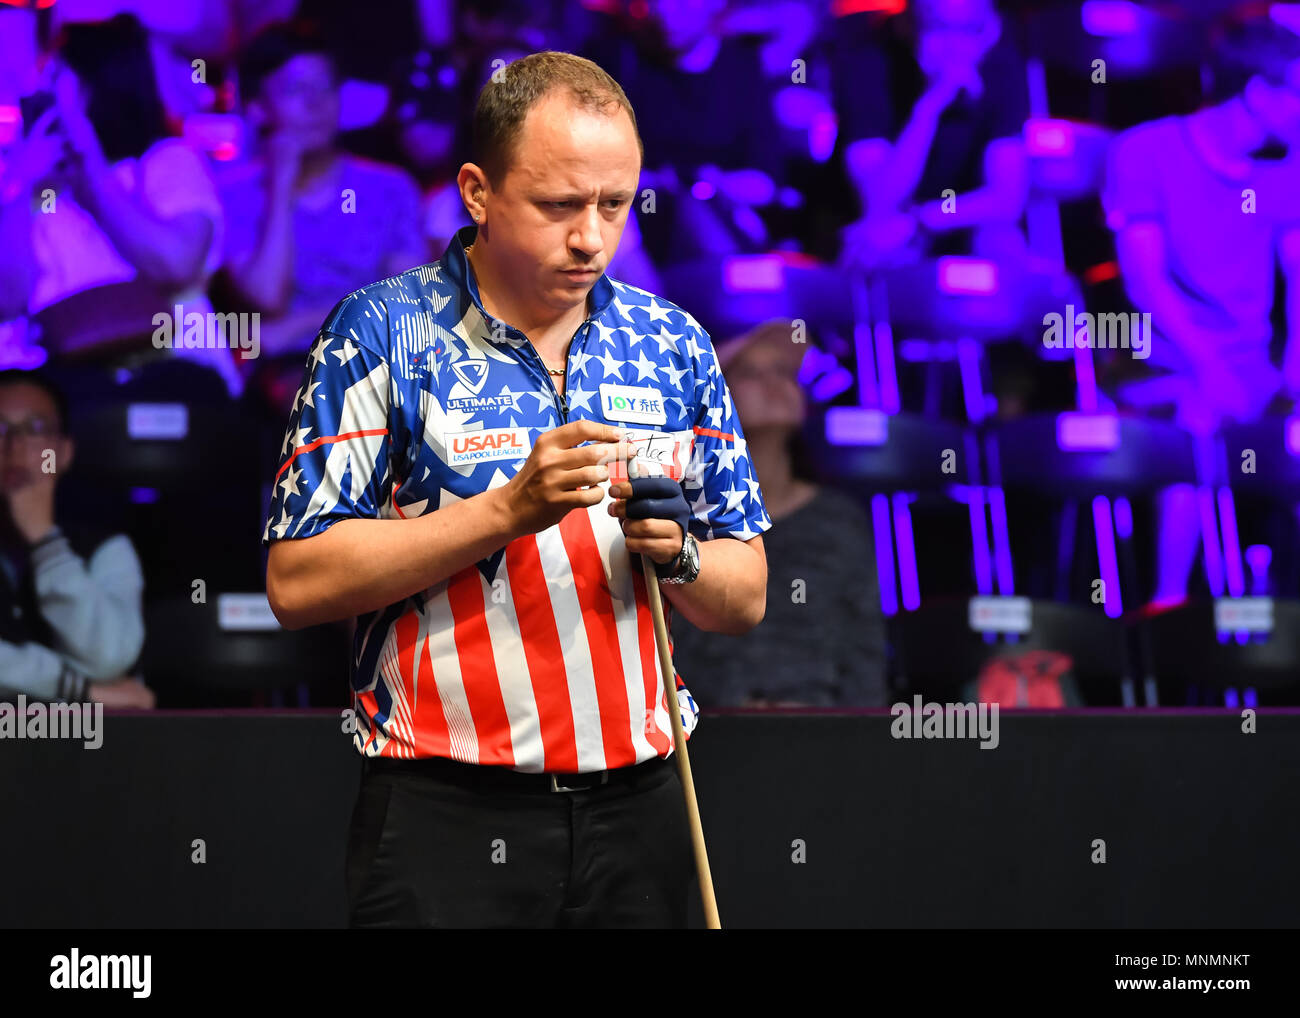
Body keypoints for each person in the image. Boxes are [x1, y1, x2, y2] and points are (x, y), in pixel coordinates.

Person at [262, 51, 769, 929]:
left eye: (614, 204)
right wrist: (506, 512)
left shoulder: (672, 343)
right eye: (559, 205)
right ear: (476, 191)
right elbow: (297, 582)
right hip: (446, 814)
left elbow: (746, 593)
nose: (592, 238)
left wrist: (680, 552)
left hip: (642, 803)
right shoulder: (380, 333)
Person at [1103, 13, 1300, 604]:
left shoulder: (1282, 173)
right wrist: (1209, 364)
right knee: (1197, 414)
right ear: (1261, 92)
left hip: (1250, 370)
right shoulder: (1144, 151)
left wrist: (1293, 371)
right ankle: (1168, 605)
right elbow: (1145, 283)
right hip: (1161, 359)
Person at [0, 14, 231, 391]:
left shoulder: (166, 162)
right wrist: (19, 185)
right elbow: (7, 298)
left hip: (173, 375)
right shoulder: (36, 184)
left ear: (96, 84)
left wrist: (90, 159)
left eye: (57, 77)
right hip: (64, 385)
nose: (42, 88)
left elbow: (174, 264)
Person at [669, 320, 887, 708]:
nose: (774, 382)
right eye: (751, 372)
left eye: (784, 372)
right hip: (709, 736)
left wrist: (860, 735)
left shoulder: (839, 520)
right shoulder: (685, 520)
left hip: (822, 734)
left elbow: (864, 645)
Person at [216, 20, 427, 363]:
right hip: (275, 376)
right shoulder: (234, 193)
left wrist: (301, 324)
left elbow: (404, 310)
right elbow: (267, 298)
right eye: (296, 90)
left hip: (373, 361)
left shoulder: (389, 187)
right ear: (257, 107)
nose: (315, 103)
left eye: (326, 87)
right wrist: (281, 184)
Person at [834, 0, 1030, 269]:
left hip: (954, 222)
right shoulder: (869, 63)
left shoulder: (1002, 66)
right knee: (870, 252)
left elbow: (1007, 198)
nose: (953, 46)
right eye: (938, 28)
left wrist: (920, 221)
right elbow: (879, 201)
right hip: (884, 231)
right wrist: (928, 109)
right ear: (907, 25)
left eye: (967, 30)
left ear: (990, 31)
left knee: (1003, 243)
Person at [0, 370, 152, 708]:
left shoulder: (107, 548)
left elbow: (109, 657)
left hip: (89, 752)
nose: (15, 446)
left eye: (36, 429)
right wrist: (84, 692)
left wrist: (44, 541)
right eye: (0, 429)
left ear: (64, 453)